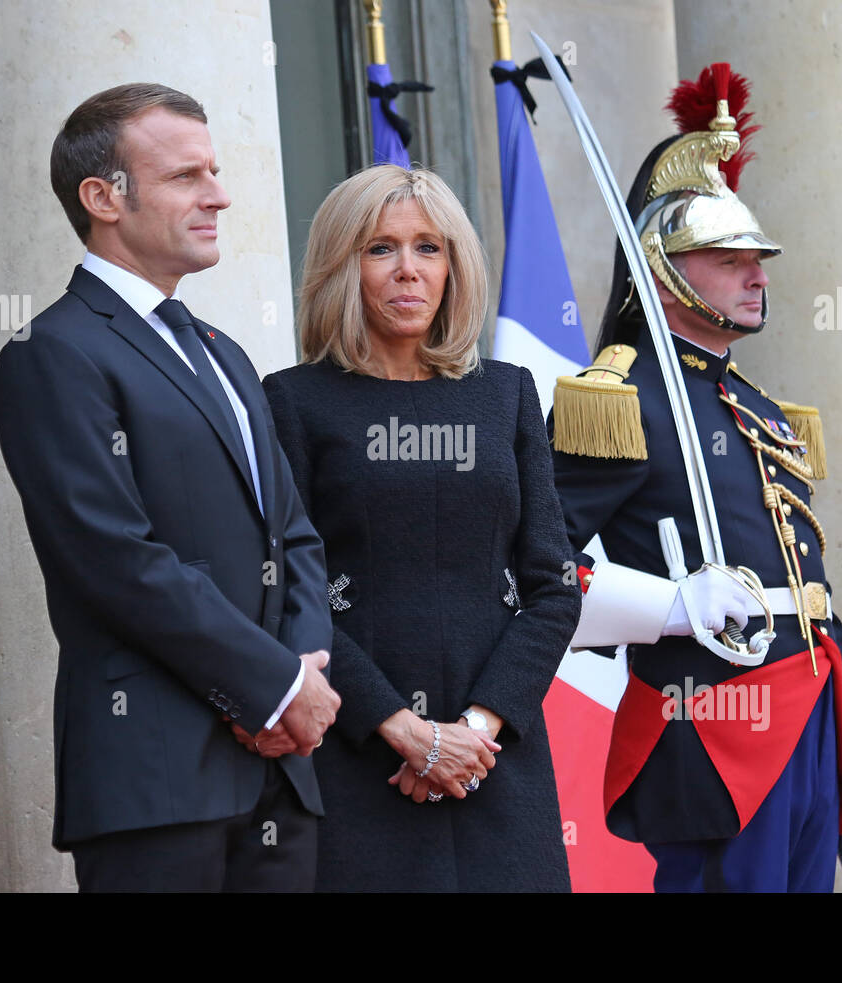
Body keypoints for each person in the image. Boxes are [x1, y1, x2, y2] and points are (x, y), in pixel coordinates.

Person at [0, 82, 341, 892]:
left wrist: (300, 677)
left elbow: (293, 536)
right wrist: (274, 688)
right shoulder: (51, 352)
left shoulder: (221, 350)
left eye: (214, 170)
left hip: (280, 777)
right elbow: (116, 559)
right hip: (153, 780)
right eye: (188, 176)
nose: (218, 193)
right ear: (102, 197)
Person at [549, 64, 842, 892]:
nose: (758, 274)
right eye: (728, 259)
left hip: (809, 716)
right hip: (710, 724)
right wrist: (666, 604)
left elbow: (815, 588)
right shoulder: (619, 398)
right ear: (664, 269)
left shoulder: (758, 406)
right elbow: (530, 566)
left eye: (756, 257)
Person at [260, 165, 580, 892]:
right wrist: (404, 731)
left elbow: (554, 589)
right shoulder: (293, 402)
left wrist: (473, 731)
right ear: (344, 266)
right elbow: (285, 595)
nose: (408, 270)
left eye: (429, 247)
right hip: (359, 761)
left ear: (454, 265)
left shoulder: (507, 396)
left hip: (495, 764)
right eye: (381, 249)